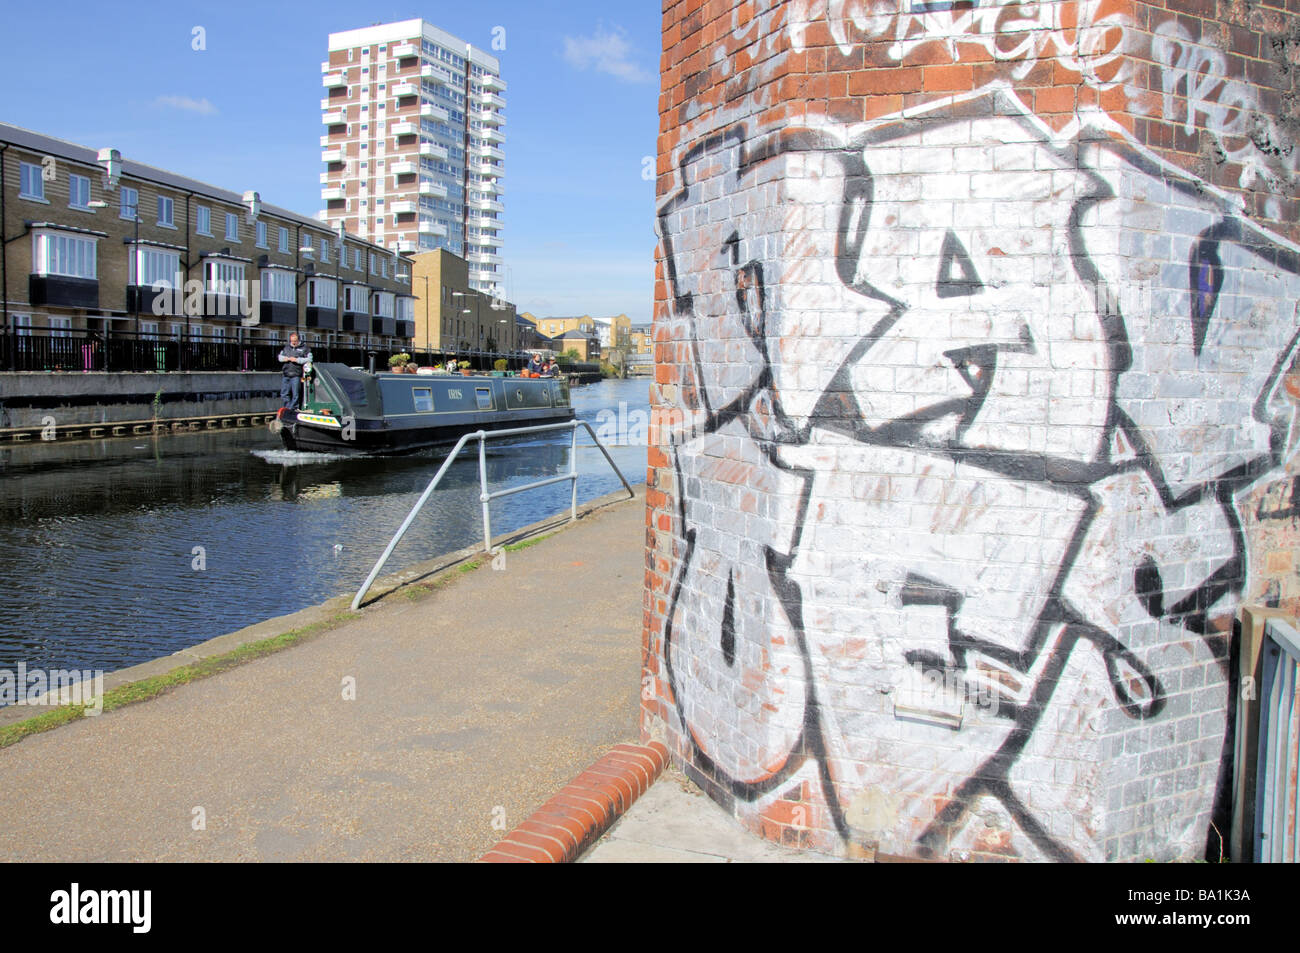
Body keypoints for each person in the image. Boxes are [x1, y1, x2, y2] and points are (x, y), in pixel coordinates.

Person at [278, 332, 313, 411]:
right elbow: (280, 357)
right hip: (286, 374)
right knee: (284, 393)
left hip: (296, 374)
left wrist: (297, 360)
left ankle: (294, 408)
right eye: (292, 341)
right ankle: (287, 408)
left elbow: (309, 359)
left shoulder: (305, 348)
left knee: (295, 394)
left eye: (295, 341)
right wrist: (285, 359)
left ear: (298, 340)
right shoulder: (286, 348)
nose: (293, 343)